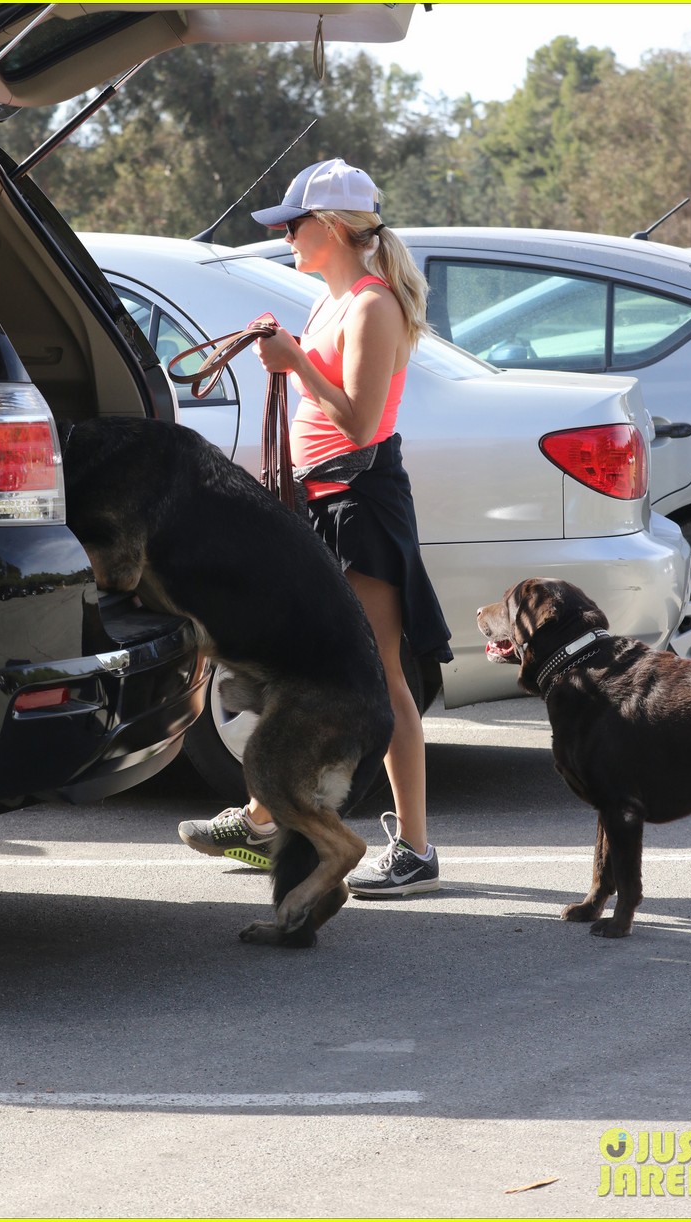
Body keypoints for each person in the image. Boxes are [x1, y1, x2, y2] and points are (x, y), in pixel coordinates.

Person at [177, 157, 452, 895]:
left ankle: (413, 847)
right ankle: (267, 817)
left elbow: (359, 424)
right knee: (314, 665)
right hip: (325, 500)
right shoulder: (331, 301)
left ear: (330, 227)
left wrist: (295, 363)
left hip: (359, 503)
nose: (285, 238)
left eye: (293, 225)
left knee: (382, 677)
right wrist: (291, 354)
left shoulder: (371, 305)